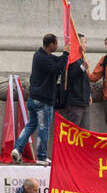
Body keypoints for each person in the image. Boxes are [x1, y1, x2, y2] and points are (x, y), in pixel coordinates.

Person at [11, 32, 68, 164]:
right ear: (52, 44)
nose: (58, 45)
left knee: (31, 125)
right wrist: (66, 54)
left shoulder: (40, 55)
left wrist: (66, 54)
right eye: (56, 43)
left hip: (33, 98)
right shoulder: (44, 58)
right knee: (44, 128)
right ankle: (42, 156)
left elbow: (57, 61)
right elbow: (58, 69)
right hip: (44, 99)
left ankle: (17, 149)